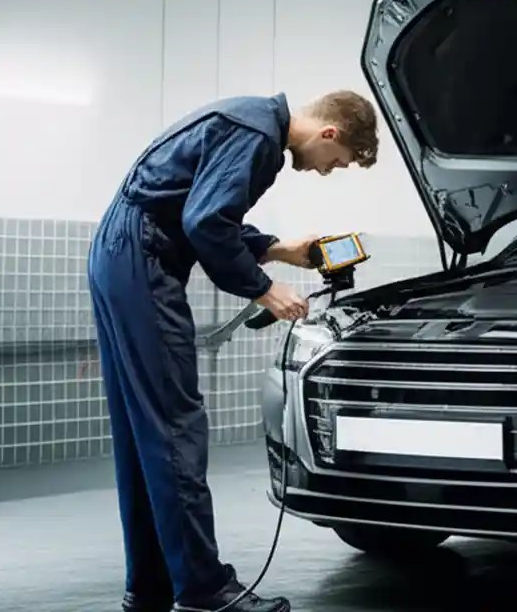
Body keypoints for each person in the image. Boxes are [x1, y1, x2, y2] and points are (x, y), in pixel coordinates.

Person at [87, 91, 378, 612]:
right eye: (336, 163)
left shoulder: (250, 119)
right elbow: (204, 223)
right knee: (175, 426)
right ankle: (204, 590)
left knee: (143, 435)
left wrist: (277, 248)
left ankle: (150, 586)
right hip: (143, 254)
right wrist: (264, 287)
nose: (325, 172)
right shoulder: (260, 136)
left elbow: (200, 209)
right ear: (329, 134)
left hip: (119, 250)